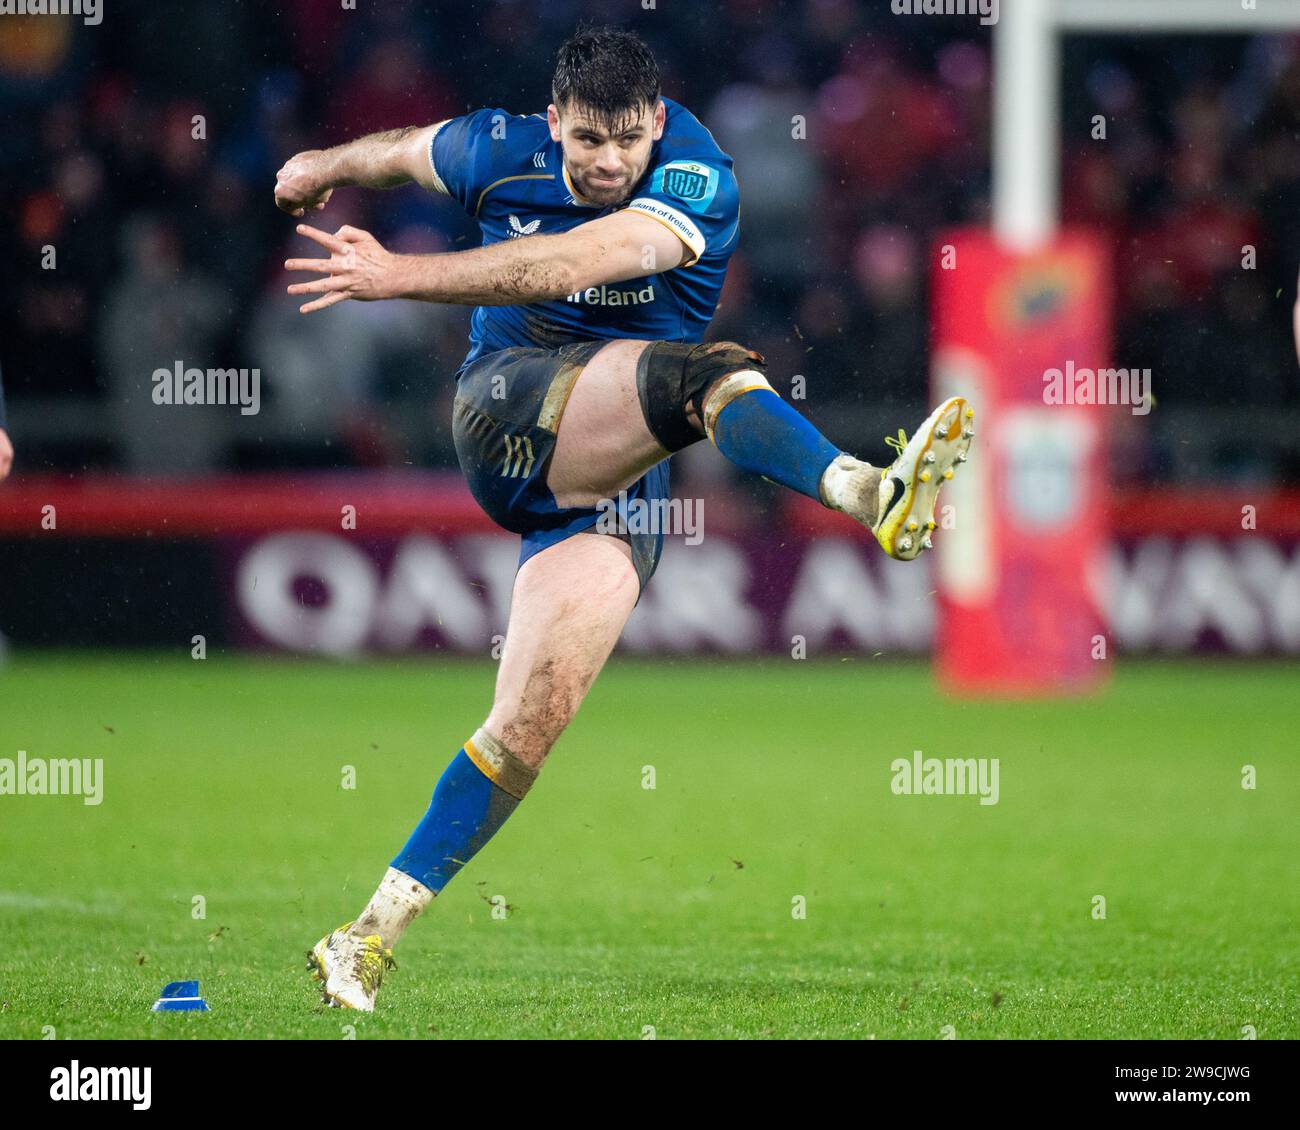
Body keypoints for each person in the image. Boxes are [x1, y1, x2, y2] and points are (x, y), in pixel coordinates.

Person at [274, 26, 973, 1011]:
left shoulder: (696, 178)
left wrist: (401, 276)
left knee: (528, 725)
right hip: (505, 410)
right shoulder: (495, 146)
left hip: (612, 470)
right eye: (587, 140)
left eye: (626, 140)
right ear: (555, 120)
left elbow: (572, 262)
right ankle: (867, 492)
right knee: (708, 371)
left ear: (654, 123)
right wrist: (317, 166)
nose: (607, 161)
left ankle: (364, 935)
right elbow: (395, 152)